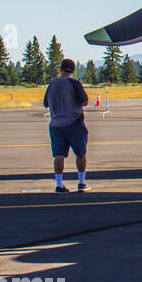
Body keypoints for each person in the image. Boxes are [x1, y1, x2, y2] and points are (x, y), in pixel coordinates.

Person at [43, 58, 90, 193]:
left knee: (58, 155)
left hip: (56, 125)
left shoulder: (52, 84)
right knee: (81, 154)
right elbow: (84, 101)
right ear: (73, 70)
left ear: (61, 69)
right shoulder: (74, 83)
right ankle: (81, 182)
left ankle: (59, 184)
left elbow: (46, 103)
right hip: (74, 123)